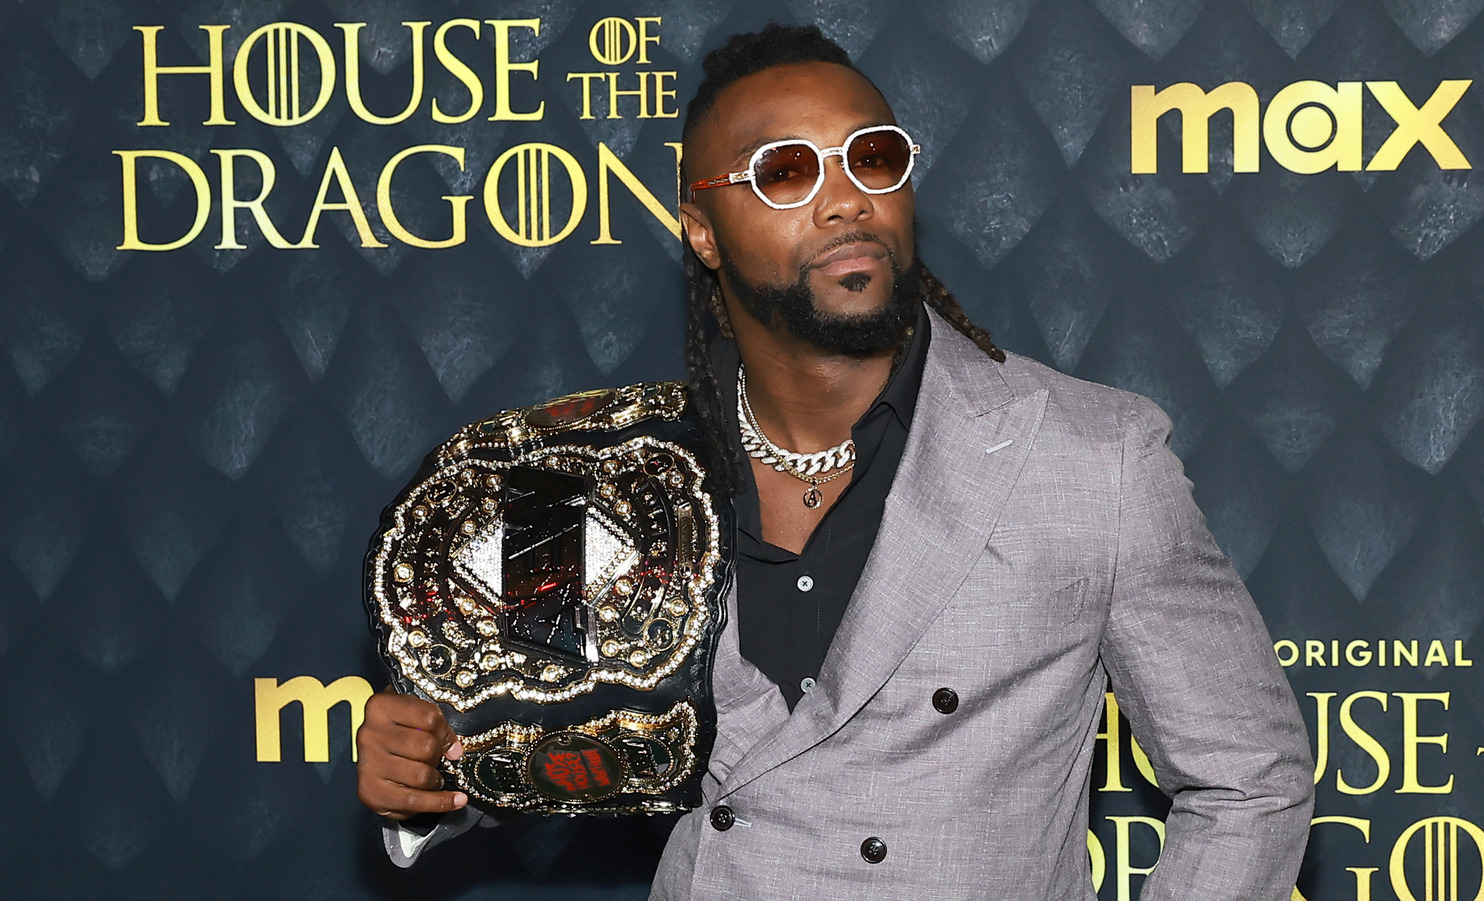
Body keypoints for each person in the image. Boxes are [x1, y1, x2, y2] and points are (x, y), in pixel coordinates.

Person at [356, 23, 1315, 900]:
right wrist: (429, 775)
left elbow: (1251, 780)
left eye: (874, 157)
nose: (848, 197)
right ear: (701, 229)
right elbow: (544, 729)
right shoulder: (604, 473)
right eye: (785, 171)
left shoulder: (1089, 456)